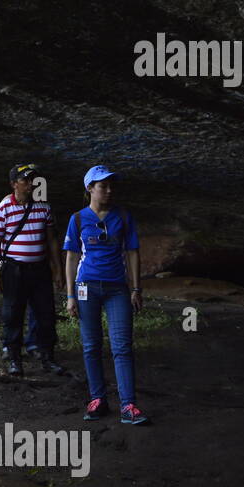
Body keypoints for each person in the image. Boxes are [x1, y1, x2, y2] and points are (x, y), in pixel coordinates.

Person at [64, 166, 149, 425]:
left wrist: (136, 288)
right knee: (91, 346)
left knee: (122, 346)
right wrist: (70, 296)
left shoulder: (123, 217)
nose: (109, 191)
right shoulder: (78, 219)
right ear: (90, 188)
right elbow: (71, 257)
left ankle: (128, 405)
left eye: (112, 186)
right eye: (103, 186)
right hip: (85, 287)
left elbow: (132, 252)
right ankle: (98, 399)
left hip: (116, 289)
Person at [0, 163, 65, 377]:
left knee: (45, 313)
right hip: (14, 270)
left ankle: (47, 357)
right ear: (14, 184)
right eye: (25, 180)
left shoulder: (44, 208)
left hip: (40, 270)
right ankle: (14, 358)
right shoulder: (2, 210)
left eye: (32, 180)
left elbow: (51, 242)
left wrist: (57, 270)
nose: (31, 184)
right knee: (12, 313)